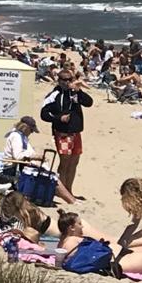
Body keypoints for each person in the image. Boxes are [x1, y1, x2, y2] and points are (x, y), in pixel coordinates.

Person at [40, 71, 94, 200]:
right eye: (64, 80)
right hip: (63, 133)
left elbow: (89, 102)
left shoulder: (75, 92)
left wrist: (79, 91)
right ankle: (61, 191)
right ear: (59, 80)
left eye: (69, 79)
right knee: (65, 162)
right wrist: (59, 118)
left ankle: (69, 190)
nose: (67, 82)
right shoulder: (55, 94)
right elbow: (44, 114)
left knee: (74, 162)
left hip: (76, 132)